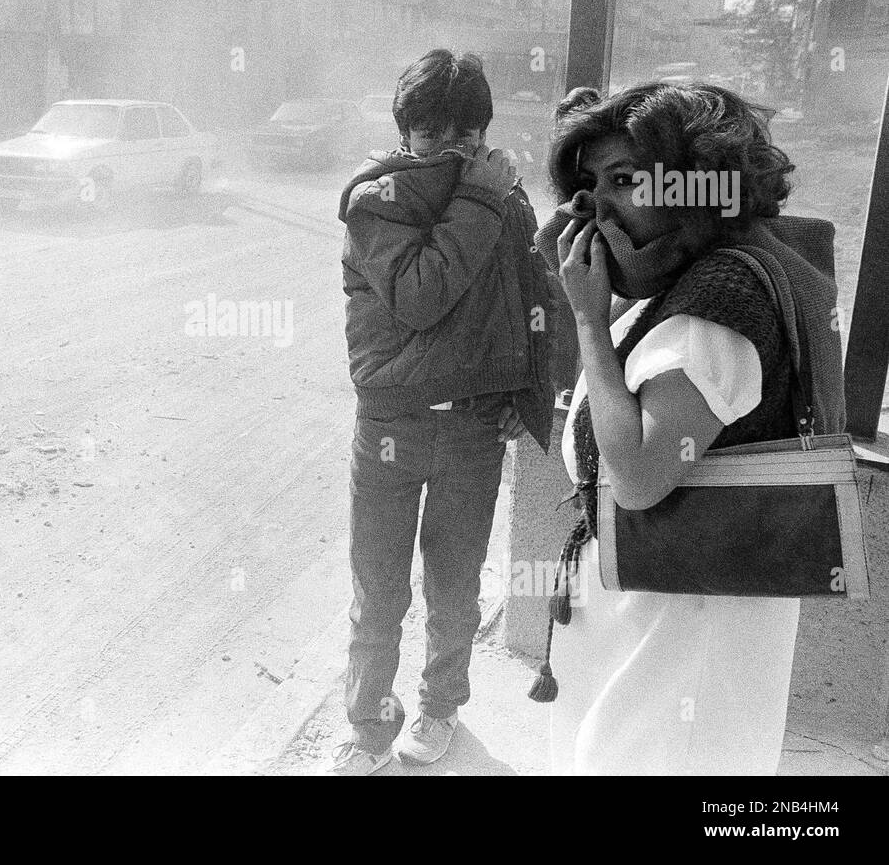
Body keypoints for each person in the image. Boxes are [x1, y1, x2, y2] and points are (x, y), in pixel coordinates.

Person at [532, 82, 846, 775]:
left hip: (678, 640)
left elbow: (639, 476)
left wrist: (587, 316)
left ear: (696, 185)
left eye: (623, 179)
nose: (595, 205)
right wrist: (599, 298)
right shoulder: (696, 274)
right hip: (655, 620)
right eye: (588, 183)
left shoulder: (720, 300)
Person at [331, 50, 556, 775]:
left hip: (472, 429)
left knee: (454, 584)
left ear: (483, 133)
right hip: (391, 429)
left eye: (465, 138)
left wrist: (525, 395)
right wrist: (481, 200)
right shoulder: (377, 203)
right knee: (379, 588)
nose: (449, 153)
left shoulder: (508, 202)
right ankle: (369, 726)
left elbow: (535, 302)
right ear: (404, 135)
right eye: (430, 137)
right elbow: (422, 295)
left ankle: (439, 706)